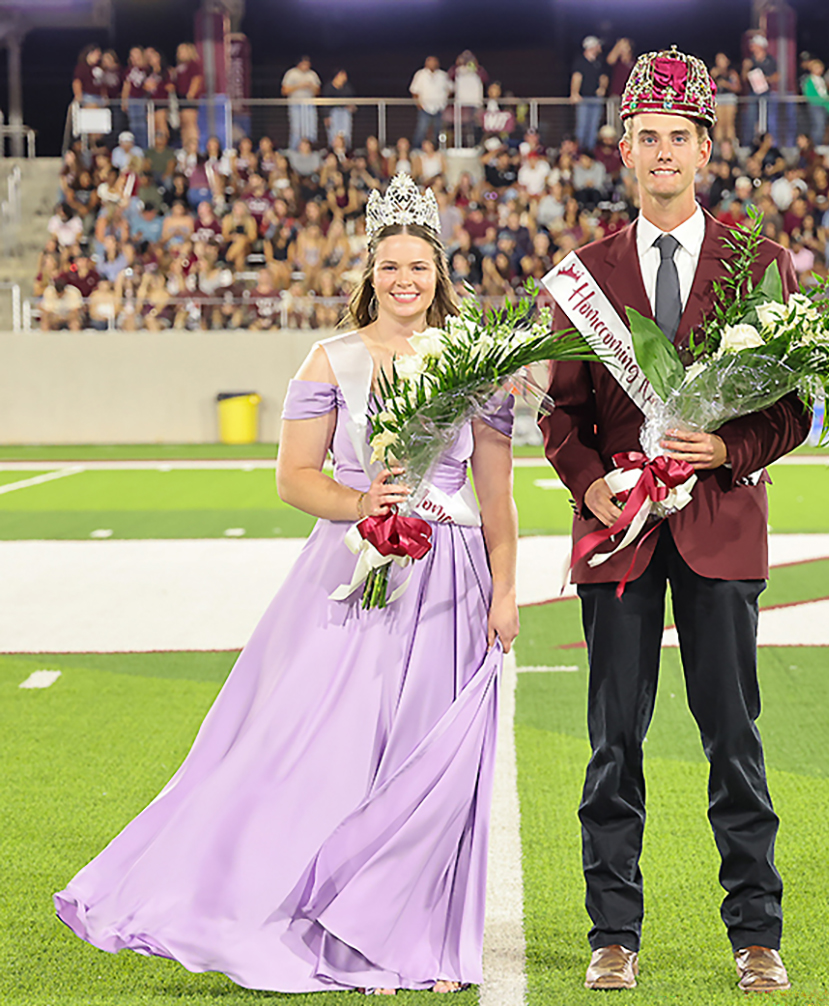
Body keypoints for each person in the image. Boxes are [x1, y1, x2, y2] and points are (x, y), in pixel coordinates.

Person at [54, 172, 519, 993]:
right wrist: (361, 502)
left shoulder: (477, 357)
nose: (404, 281)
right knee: (335, 751)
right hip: (356, 572)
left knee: (428, 765)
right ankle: (335, 930)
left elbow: (497, 499)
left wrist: (506, 590)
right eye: (389, 267)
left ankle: (414, 942)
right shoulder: (331, 357)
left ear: (441, 272)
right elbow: (293, 477)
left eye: (419, 266)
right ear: (368, 273)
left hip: (450, 582)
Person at [539, 45, 808, 996]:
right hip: (620, 532)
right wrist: (589, 485)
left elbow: (792, 409)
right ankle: (614, 931)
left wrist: (725, 452)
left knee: (733, 737)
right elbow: (559, 413)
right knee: (615, 739)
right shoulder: (584, 275)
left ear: (704, 149)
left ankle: (757, 932)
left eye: (677, 138)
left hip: (720, 526)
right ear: (624, 152)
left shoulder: (759, 262)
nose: (661, 153)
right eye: (645, 137)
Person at [570, 35, 609, 154]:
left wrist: (602, 88)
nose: (599, 47)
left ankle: (589, 153)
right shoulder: (580, 61)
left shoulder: (599, 62)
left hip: (595, 99)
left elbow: (604, 77)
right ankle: (579, 153)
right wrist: (574, 93)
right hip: (584, 99)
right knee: (582, 128)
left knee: (593, 128)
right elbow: (577, 77)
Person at [742, 34, 778, 145]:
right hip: (753, 94)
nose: (752, 47)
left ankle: (770, 142)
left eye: (754, 45)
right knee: (751, 118)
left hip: (767, 93)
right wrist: (745, 68)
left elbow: (777, 75)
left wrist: (767, 79)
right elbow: (744, 78)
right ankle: (749, 142)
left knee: (769, 119)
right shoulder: (750, 61)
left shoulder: (770, 60)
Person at [410, 55, 451, 150]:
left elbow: (450, 89)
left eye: (434, 62)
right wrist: (419, 105)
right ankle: (416, 149)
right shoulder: (420, 74)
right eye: (430, 62)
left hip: (439, 108)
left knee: (438, 130)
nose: (432, 64)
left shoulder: (443, 75)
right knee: (422, 129)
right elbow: (414, 91)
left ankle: (436, 149)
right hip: (425, 107)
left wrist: (444, 102)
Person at [281, 56, 321, 151]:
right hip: (295, 104)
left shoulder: (312, 74)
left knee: (311, 128)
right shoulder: (291, 73)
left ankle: (311, 148)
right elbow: (284, 90)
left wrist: (311, 87)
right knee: (296, 129)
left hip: (309, 104)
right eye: (304, 63)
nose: (306, 66)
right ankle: (295, 149)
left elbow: (318, 91)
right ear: (299, 64)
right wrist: (299, 86)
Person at [323, 68, 356, 150]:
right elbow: (325, 103)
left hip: (344, 113)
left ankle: (346, 146)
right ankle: (333, 147)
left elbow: (351, 101)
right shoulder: (328, 88)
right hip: (333, 114)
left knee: (345, 116)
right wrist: (326, 116)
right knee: (334, 129)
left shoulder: (347, 88)